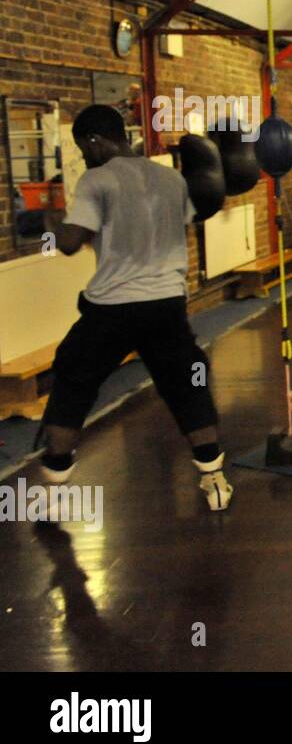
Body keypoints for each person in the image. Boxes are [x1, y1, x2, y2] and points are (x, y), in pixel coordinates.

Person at [37, 105, 230, 511]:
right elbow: (179, 230)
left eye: (82, 148)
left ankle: (53, 491)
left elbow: (70, 243)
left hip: (113, 307)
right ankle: (215, 482)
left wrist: (52, 217)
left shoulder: (97, 179)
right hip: (166, 305)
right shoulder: (172, 178)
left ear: (94, 140)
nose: (83, 156)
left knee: (72, 380)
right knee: (188, 383)